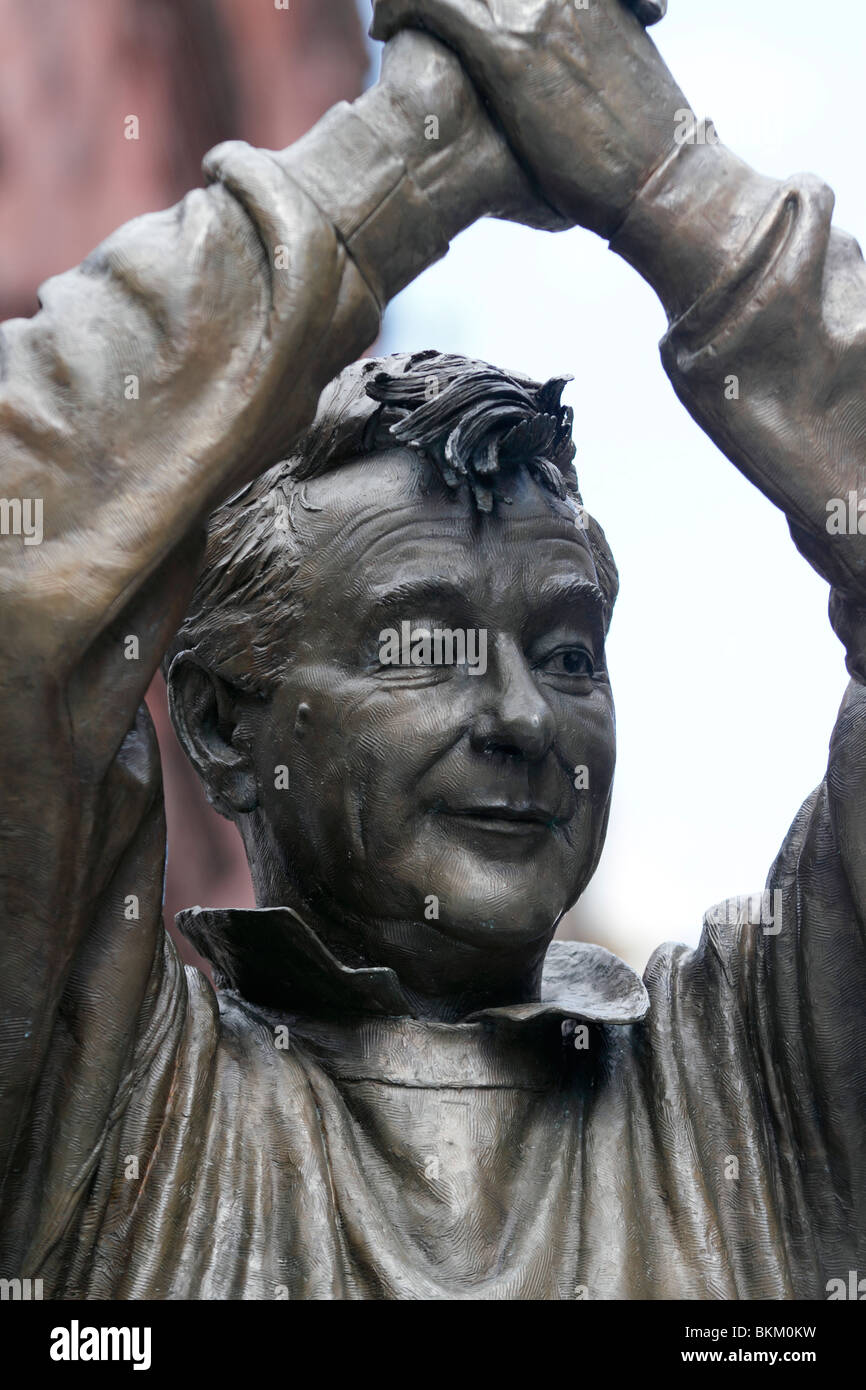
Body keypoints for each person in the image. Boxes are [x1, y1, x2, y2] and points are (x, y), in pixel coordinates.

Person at [1, 0, 864, 1298]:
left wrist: (657, 173)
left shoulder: (764, 1082)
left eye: (567, 655)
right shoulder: (106, 1102)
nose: (522, 718)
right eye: (424, 643)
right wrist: (414, 149)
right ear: (226, 727)